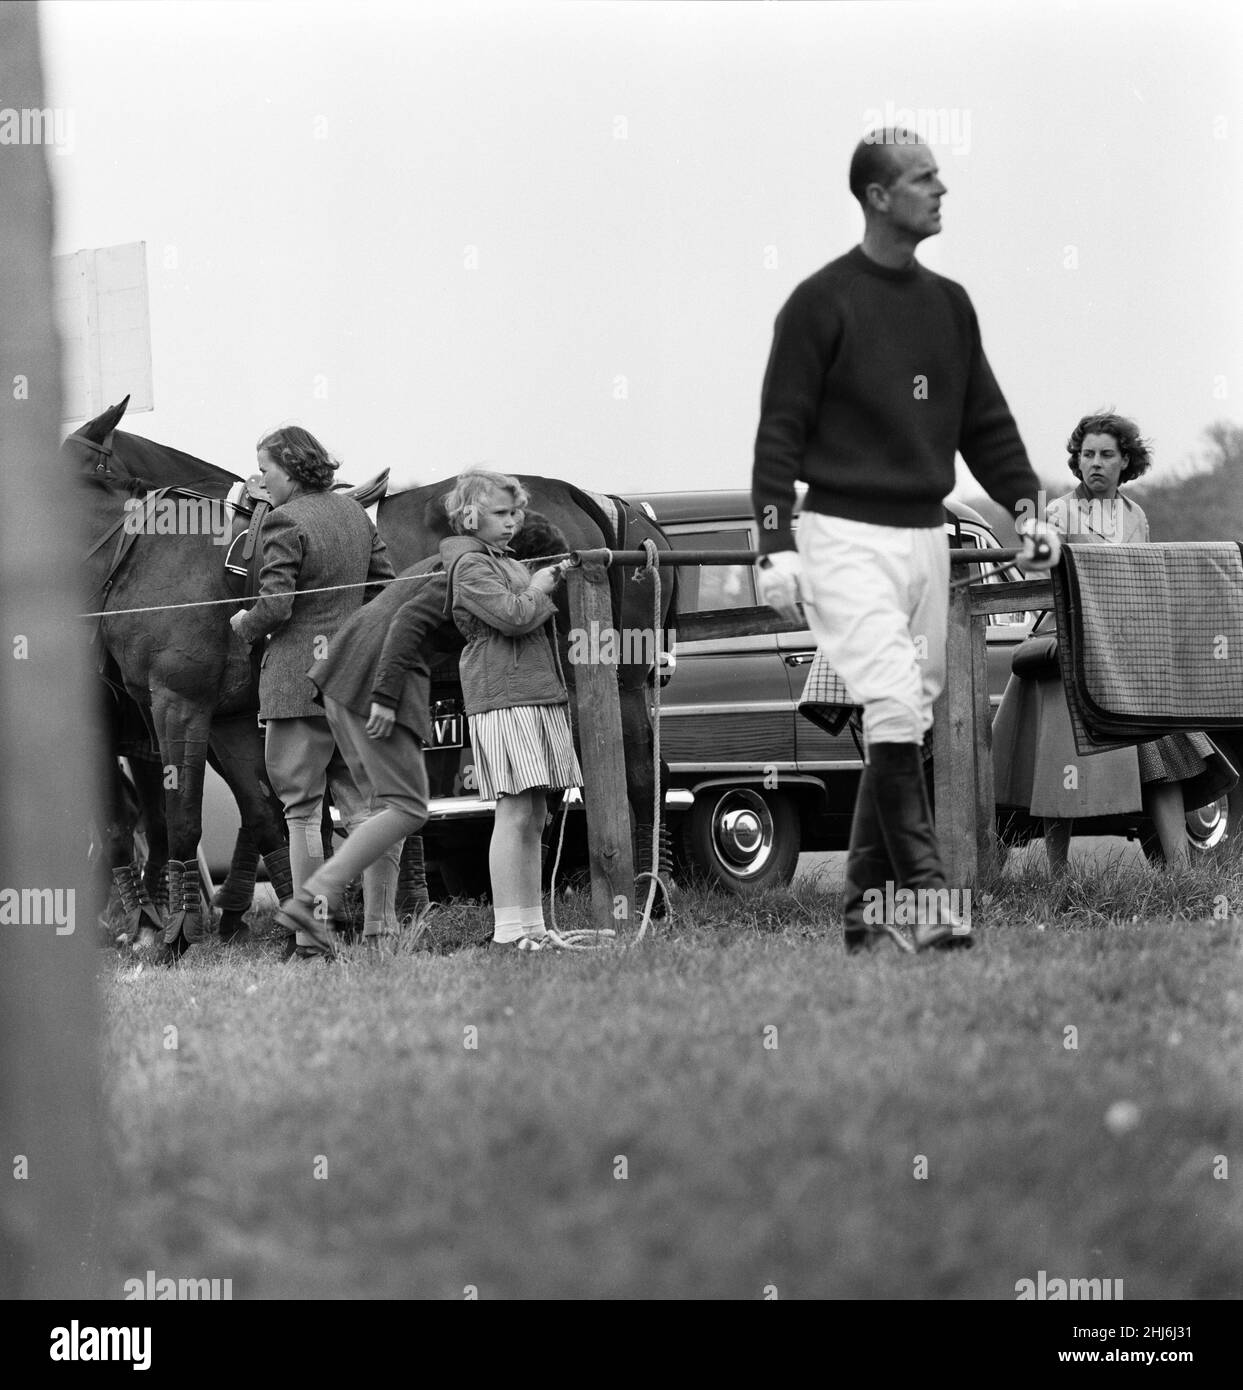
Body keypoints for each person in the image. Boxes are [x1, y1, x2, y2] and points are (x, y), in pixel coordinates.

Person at [751, 128, 1061, 955]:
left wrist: (1028, 508)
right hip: (842, 537)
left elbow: (983, 424)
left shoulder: (948, 304)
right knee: (889, 704)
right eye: (925, 179)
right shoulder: (821, 302)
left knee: (904, 722)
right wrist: (774, 543)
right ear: (878, 196)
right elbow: (778, 435)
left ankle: (859, 910)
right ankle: (924, 901)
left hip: (924, 535)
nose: (941, 190)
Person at [993, 411, 1236, 872]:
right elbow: (1032, 574)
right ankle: (1058, 877)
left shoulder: (1135, 515)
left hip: (1127, 657)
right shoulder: (1058, 512)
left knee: (1164, 754)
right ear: (1077, 461)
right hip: (1071, 653)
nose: (1096, 464)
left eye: (1107, 454)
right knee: (1059, 766)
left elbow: (1144, 584)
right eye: (1088, 455)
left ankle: (1180, 874)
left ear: (1126, 460)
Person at [229, 426, 396, 958]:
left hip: (297, 685)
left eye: (265, 470)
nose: (260, 481)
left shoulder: (284, 520)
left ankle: (312, 936)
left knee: (301, 810)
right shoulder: (355, 513)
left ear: (292, 470)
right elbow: (385, 590)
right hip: (355, 681)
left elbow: (276, 606)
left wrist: (243, 624)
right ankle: (381, 930)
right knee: (369, 809)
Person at [439, 468, 582, 951]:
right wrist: (541, 587)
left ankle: (533, 926)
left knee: (536, 811)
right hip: (503, 696)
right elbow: (514, 616)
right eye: (501, 513)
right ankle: (507, 931)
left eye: (515, 512)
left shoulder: (504, 561)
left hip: (534, 691)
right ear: (470, 514)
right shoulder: (470, 566)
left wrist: (536, 583)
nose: (512, 522)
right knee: (514, 809)